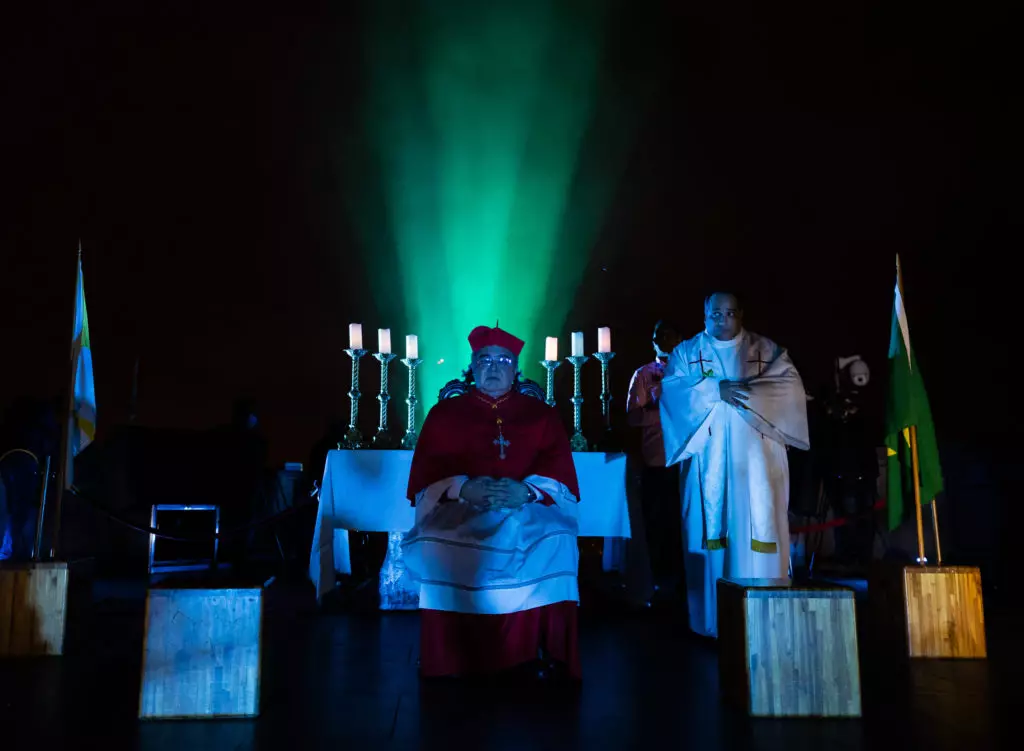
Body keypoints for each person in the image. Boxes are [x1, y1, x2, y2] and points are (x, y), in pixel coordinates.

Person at [402, 325, 581, 681]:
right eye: (485, 360)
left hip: (523, 506)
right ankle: (448, 655)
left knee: (557, 540)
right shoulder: (444, 414)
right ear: (472, 366)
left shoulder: (541, 415)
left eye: (503, 360)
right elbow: (426, 471)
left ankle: (542, 653)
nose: (494, 367)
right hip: (461, 506)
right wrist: (461, 487)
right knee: (443, 541)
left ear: (516, 369)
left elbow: (559, 470)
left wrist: (528, 492)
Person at [659, 293, 809, 637]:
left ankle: (766, 619)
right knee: (710, 532)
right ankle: (712, 623)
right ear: (704, 315)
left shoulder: (767, 351)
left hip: (759, 461)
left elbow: (789, 388)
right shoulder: (686, 353)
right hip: (709, 459)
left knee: (761, 525)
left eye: (729, 313)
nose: (722, 320)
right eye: (715, 314)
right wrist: (715, 390)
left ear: (741, 314)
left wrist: (748, 394)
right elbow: (673, 394)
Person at [626, 320, 684, 605]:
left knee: (685, 523)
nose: (663, 339)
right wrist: (658, 410)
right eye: (657, 336)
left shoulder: (690, 370)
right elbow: (632, 416)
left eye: (669, 334)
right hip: (657, 460)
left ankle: (689, 579)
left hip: (688, 459)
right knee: (659, 521)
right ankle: (661, 582)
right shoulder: (643, 375)